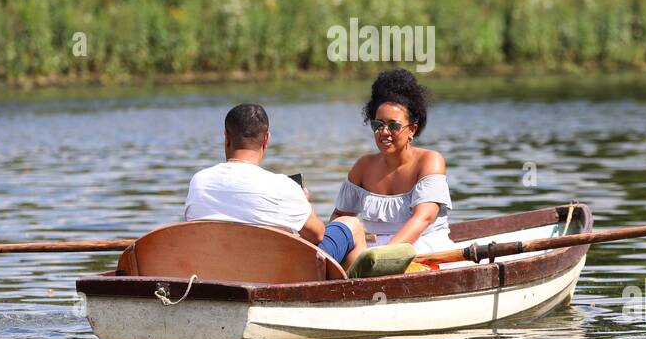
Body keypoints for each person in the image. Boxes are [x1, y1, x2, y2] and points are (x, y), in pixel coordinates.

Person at [185, 103, 367, 268]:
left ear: (226, 137)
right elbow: (317, 235)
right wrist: (303, 202)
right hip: (274, 271)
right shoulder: (283, 186)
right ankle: (347, 297)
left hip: (217, 267)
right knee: (352, 224)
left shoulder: (199, 182)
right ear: (266, 140)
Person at [330, 69, 454, 255]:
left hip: (422, 251)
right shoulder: (363, 166)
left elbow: (423, 218)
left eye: (393, 125)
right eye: (378, 125)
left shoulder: (430, 161)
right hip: (371, 255)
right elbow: (340, 218)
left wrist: (383, 258)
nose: (384, 132)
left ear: (412, 129)